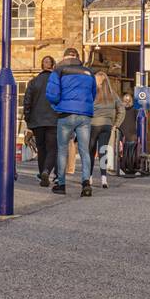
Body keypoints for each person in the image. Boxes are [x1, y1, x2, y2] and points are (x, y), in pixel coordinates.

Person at [46, 47, 98, 197]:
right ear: (77, 57)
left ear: (64, 57)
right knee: (84, 151)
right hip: (84, 115)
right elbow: (93, 93)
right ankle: (86, 183)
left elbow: (52, 94)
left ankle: (61, 184)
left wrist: (56, 106)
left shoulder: (59, 71)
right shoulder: (88, 72)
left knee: (62, 150)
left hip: (65, 114)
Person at [22, 56, 59, 188]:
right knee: (52, 149)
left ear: (42, 66)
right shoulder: (57, 82)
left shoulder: (33, 82)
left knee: (41, 149)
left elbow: (27, 102)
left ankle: (42, 173)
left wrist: (28, 119)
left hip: (37, 121)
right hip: (54, 120)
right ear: (53, 66)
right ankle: (46, 171)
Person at [90, 73, 123, 189]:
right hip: (107, 125)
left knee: (91, 151)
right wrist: (115, 125)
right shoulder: (112, 94)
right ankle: (104, 178)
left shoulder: (92, 93)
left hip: (93, 124)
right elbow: (122, 110)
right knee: (103, 151)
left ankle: (89, 177)